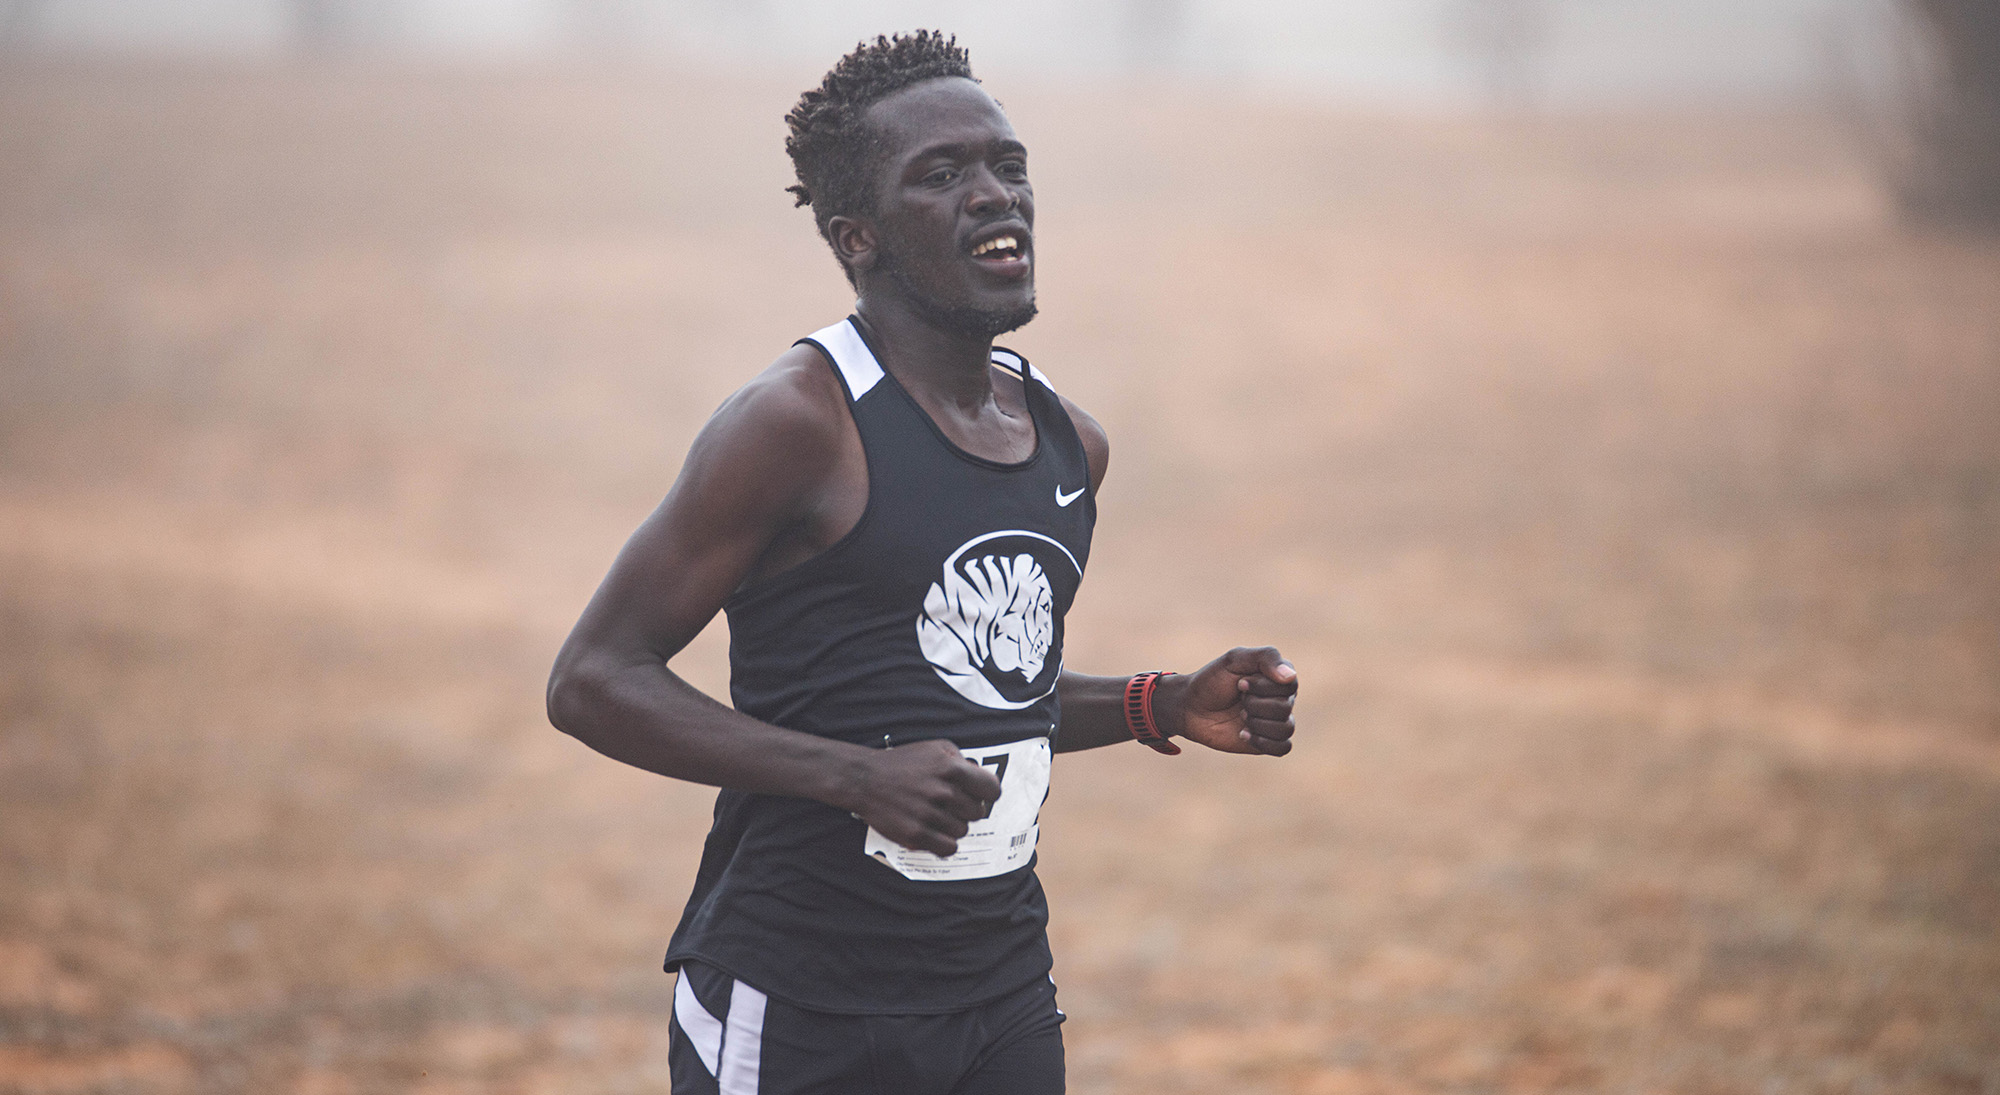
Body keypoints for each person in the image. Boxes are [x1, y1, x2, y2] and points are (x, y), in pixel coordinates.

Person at [546, 30, 1299, 1095]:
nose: (994, 194)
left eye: (1007, 164)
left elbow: (984, 704)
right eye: (940, 176)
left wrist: (1158, 703)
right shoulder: (797, 424)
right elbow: (591, 680)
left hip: (999, 996)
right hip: (798, 999)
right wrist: (855, 778)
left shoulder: (1066, 442)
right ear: (856, 237)